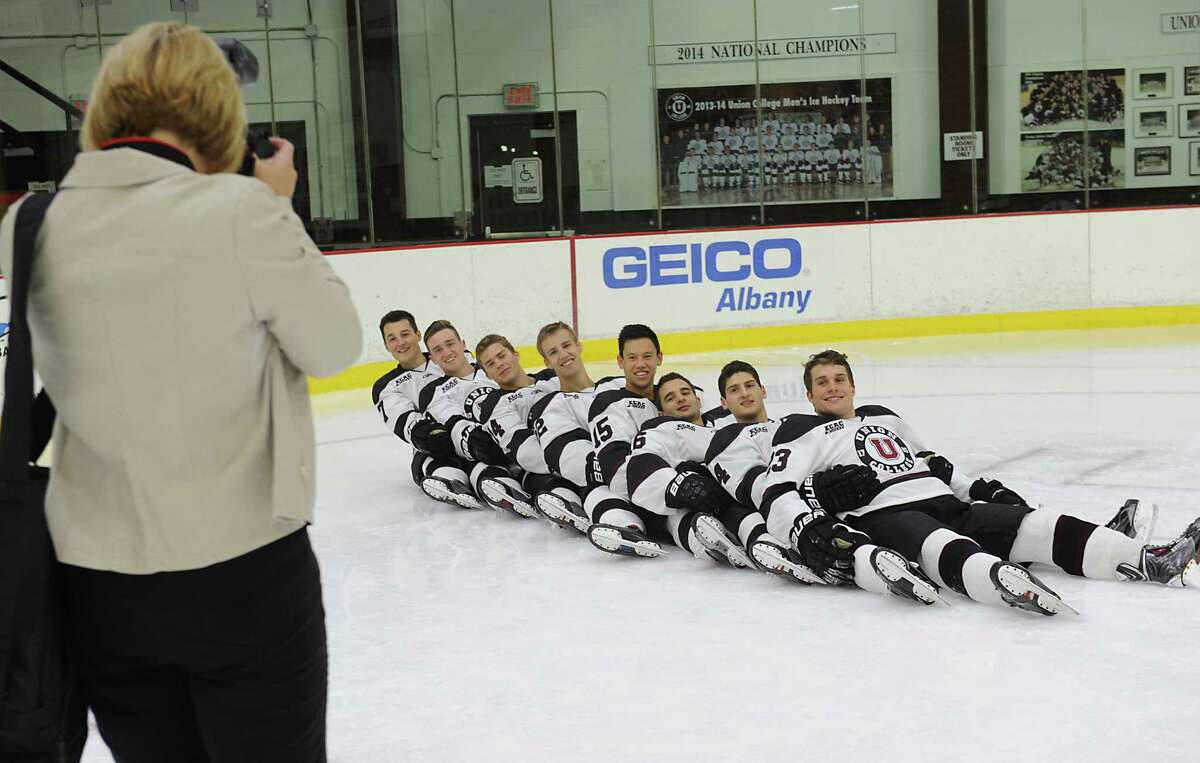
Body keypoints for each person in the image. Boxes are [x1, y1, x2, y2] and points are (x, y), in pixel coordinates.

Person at [0, 22, 361, 761]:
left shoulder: (28, 224)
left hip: (98, 587)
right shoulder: (241, 212)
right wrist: (277, 203)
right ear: (217, 115)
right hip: (243, 574)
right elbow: (334, 346)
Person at [760, 350, 1200, 616]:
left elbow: (936, 465)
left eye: (840, 379)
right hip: (887, 514)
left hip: (946, 503)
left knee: (1038, 523)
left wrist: (980, 490)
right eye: (822, 383)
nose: (832, 388)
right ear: (810, 395)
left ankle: (1150, 561)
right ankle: (996, 580)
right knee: (938, 544)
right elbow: (776, 491)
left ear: (853, 385)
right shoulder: (802, 432)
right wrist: (805, 523)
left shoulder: (886, 417)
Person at [700, 362, 942, 601]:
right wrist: (812, 491)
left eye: (749, 385)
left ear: (763, 390)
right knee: (825, 538)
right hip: (783, 507)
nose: (744, 393)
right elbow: (758, 489)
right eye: (734, 390)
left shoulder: (794, 424)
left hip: (814, 501)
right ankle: (770, 541)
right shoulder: (727, 438)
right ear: (723, 403)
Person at [371, 311, 485, 510]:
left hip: (474, 432)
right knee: (433, 450)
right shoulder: (387, 386)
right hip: (435, 446)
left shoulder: (446, 356)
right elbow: (405, 422)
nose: (401, 342)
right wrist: (430, 434)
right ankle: (450, 481)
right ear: (386, 345)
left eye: (405, 334)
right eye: (392, 338)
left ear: (417, 334)